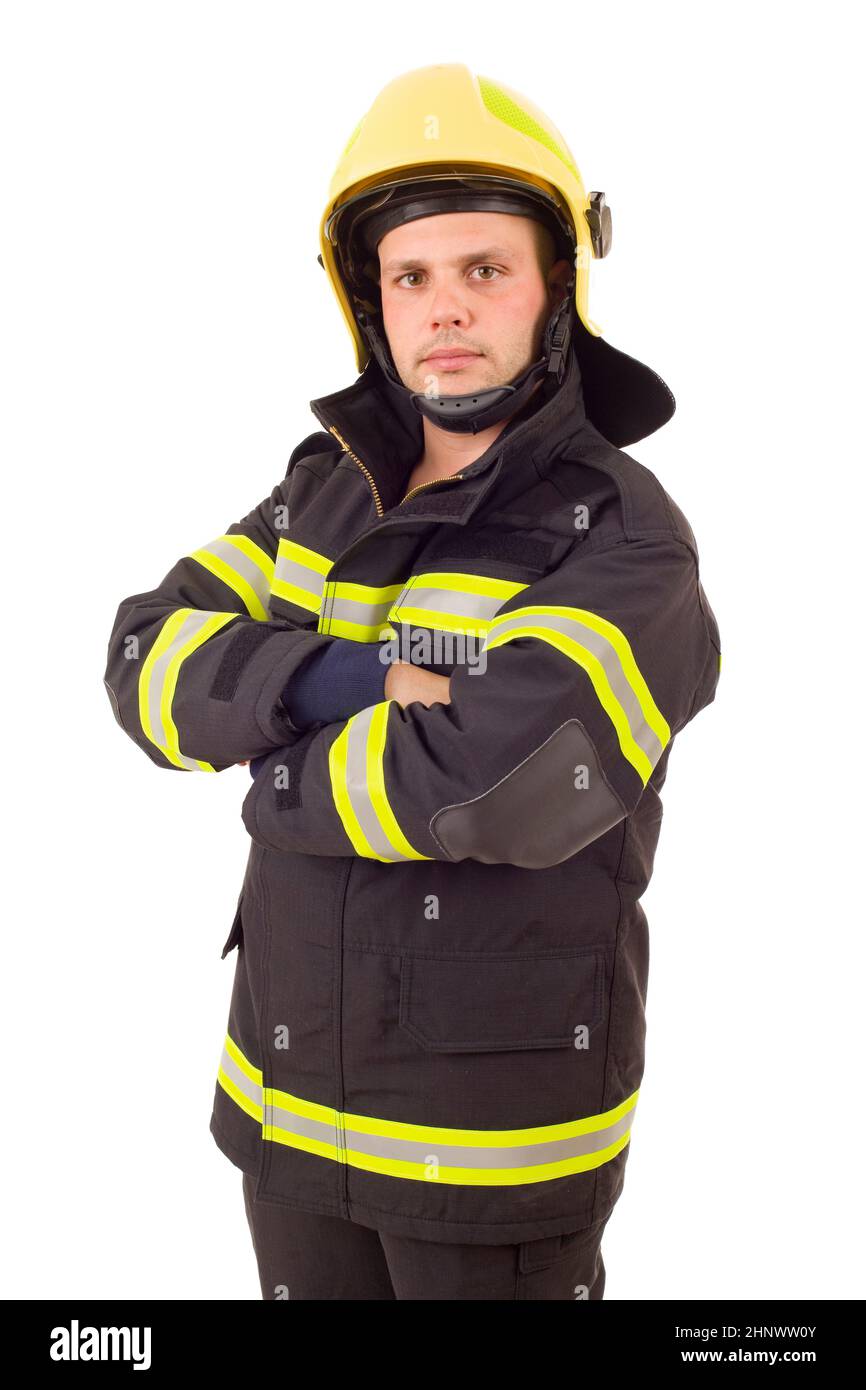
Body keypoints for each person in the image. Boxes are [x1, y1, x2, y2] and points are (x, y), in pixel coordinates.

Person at [103, 63, 721, 1301]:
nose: (443, 307)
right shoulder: (315, 493)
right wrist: (341, 677)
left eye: (483, 268)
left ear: (556, 287)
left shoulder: (623, 539)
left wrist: (259, 752)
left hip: (487, 1146)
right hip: (281, 1105)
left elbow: (486, 792)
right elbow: (140, 657)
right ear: (369, 303)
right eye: (410, 276)